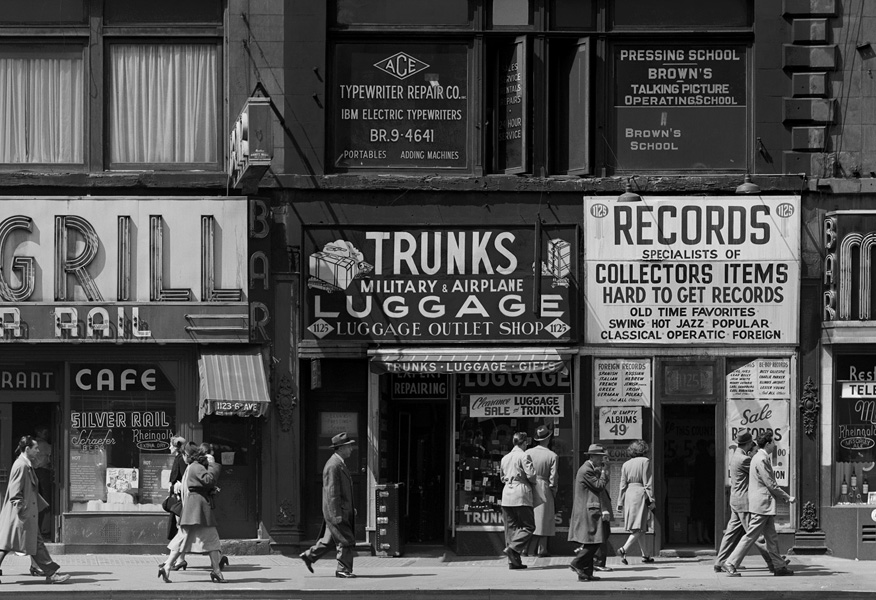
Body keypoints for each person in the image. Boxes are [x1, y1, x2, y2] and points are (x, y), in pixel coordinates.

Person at [724, 430, 795, 577]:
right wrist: (787, 497)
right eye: (773, 442)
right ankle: (730, 562)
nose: (775, 445)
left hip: (765, 505)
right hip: (762, 504)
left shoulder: (759, 457)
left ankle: (779, 566)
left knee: (771, 537)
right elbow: (770, 484)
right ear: (768, 444)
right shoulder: (761, 459)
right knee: (751, 536)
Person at [0, 436, 70, 584]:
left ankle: (51, 573)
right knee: (25, 543)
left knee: (12, 544)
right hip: (22, 515)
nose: (38, 451)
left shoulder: (26, 464)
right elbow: (15, 493)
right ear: (27, 449)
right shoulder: (21, 466)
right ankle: (51, 574)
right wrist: (24, 511)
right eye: (35, 448)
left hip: (24, 515)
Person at [159, 443, 226, 583]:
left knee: (184, 538)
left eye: (183, 455)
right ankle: (216, 571)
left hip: (192, 509)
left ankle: (167, 566)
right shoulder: (196, 466)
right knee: (212, 539)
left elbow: (198, 485)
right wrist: (213, 465)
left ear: (187, 455)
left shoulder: (191, 467)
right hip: (199, 508)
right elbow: (209, 480)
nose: (183, 457)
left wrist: (210, 490)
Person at [299, 432, 358, 578]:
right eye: (349, 446)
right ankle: (342, 570)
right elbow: (332, 493)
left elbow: (342, 491)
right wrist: (336, 515)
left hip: (341, 510)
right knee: (346, 540)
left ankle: (309, 556)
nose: (351, 449)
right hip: (337, 512)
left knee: (329, 540)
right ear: (341, 448)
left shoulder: (339, 464)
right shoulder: (333, 465)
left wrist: (351, 507)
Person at [714, 431, 774, 573]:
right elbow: (759, 472)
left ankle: (720, 562)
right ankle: (774, 561)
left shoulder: (735, 456)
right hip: (744, 501)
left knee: (731, 534)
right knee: (755, 535)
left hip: (735, 499)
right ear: (747, 444)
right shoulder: (744, 459)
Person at [568, 444, 611, 582]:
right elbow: (599, 486)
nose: (602, 460)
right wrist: (604, 472)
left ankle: (586, 573)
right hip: (587, 510)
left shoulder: (591, 469)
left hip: (590, 509)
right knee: (593, 541)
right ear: (592, 457)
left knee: (592, 541)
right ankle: (577, 563)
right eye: (599, 457)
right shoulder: (586, 470)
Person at [499, 432, 537, 570]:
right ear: (524, 442)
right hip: (520, 493)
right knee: (529, 526)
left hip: (506, 495)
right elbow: (532, 476)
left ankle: (513, 561)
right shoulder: (524, 455)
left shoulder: (505, 458)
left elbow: (501, 477)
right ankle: (513, 548)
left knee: (511, 528)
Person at [616, 440, 655, 565]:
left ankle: (646, 555)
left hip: (629, 494)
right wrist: (651, 499)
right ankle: (624, 548)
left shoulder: (626, 464)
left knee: (640, 526)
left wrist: (620, 501)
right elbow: (648, 482)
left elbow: (622, 484)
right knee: (639, 527)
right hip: (640, 493)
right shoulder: (645, 462)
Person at [525, 425, 557, 557]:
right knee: (545, 519)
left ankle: (527, 548)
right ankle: (541, 549)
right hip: (544, 486)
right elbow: (553, 478)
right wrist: (553, 491)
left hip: (529, 486)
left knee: (530, 518)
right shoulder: (552, 455)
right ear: (548, 439)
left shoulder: (528, 453)